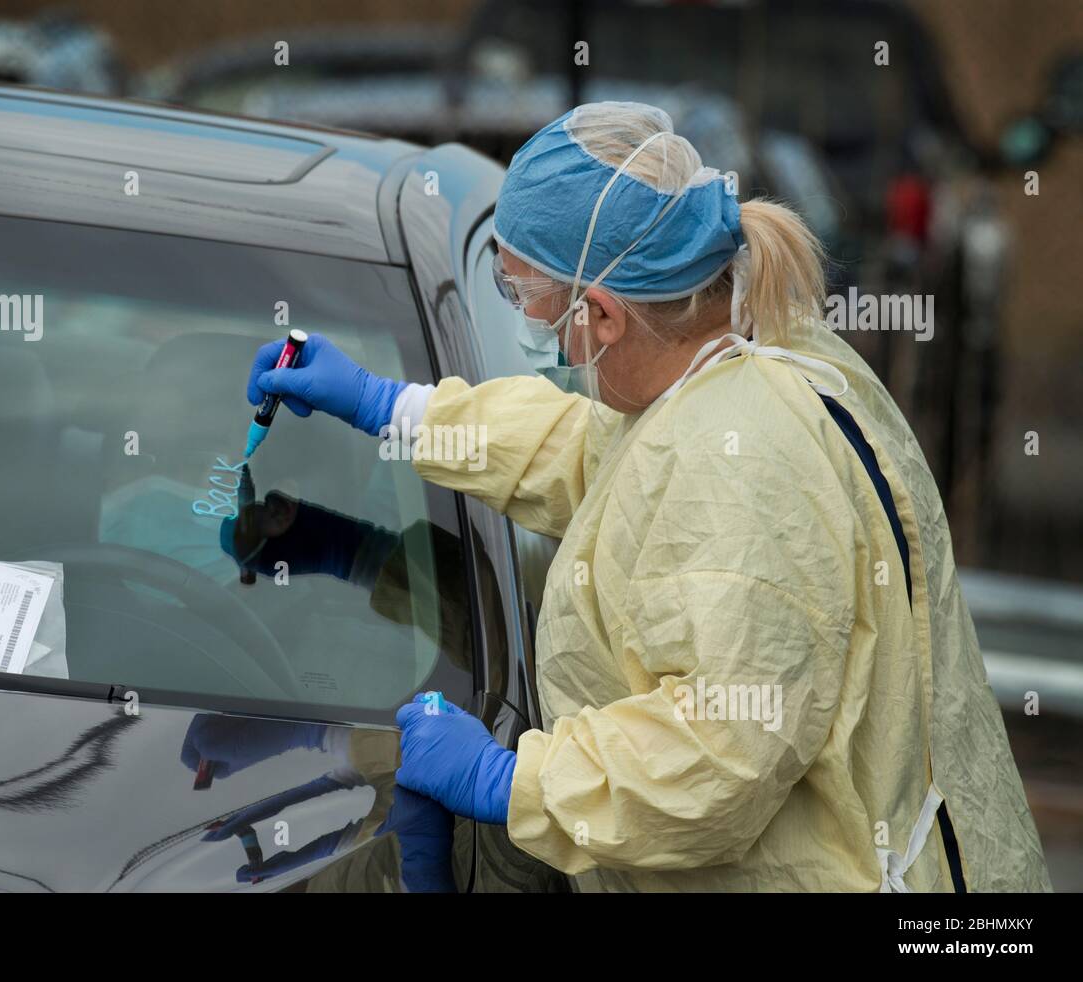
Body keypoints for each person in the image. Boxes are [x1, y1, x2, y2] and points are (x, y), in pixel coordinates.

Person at [241, 102, 1051, 892]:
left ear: (601, 316)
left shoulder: (740, 465)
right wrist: (397, 410)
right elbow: (607, 471)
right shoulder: (735, 371)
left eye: (527, 301)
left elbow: (715, 754)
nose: (535, 331)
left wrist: (512, 783)